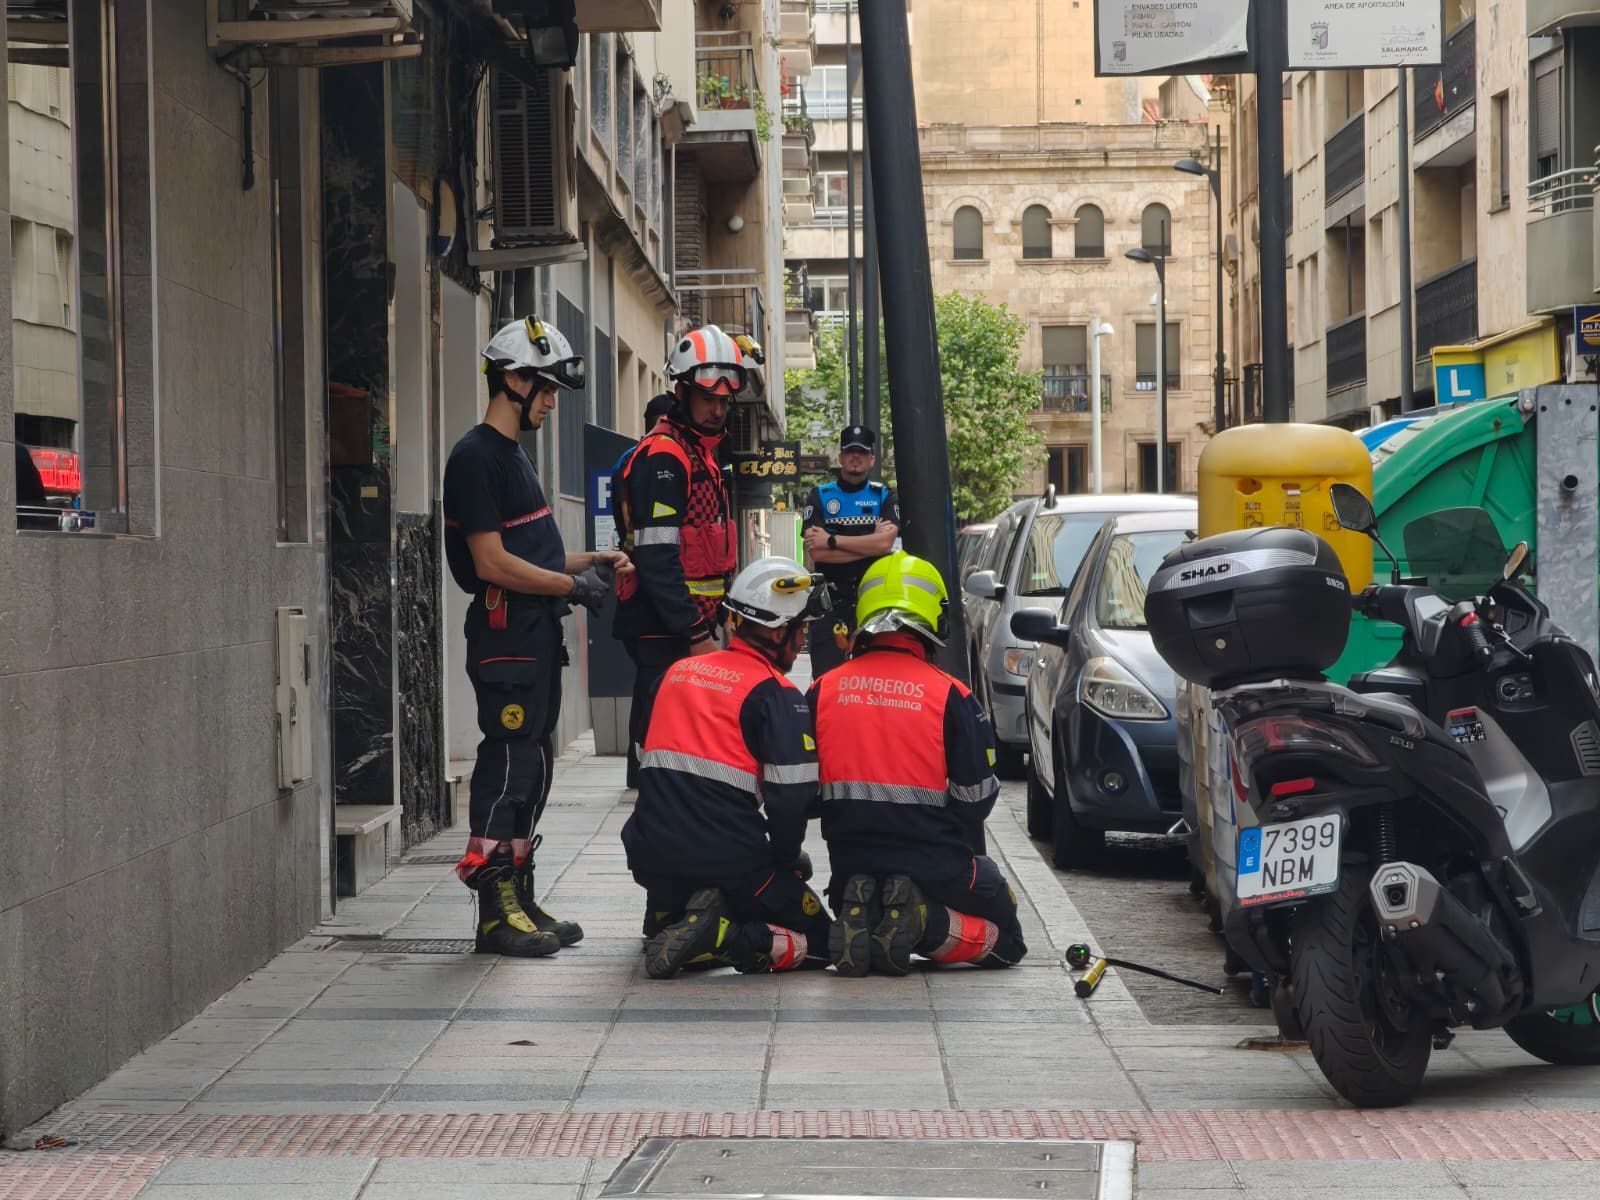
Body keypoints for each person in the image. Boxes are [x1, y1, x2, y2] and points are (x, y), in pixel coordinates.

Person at [443, 315, 629, 958]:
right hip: (505, 636)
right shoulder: (473, 458)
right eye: (545, 388)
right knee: (508, 764)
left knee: (536, 765)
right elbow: (493, 563)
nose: (551, 402)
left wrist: (592, 564)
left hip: (531, 632)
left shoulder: (511, 455)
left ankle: (518, 895)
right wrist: (570, 589)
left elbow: (535, 555)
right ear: (513, 379)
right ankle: (495, 910)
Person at [809, 551, 1028, 976]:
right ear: (935, 619)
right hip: (937, 866)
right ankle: (925, 921)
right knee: (1009, 940)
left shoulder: (822, 691)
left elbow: (800, 792)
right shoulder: (951, 696)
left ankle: (863, 906)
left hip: (850, 861)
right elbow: (977, 799)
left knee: (867, 903)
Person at [622, 556, 835, 979]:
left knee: (694, 841)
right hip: (728, 863)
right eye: (802, 629)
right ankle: (726, 938)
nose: (803, 639)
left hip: (648, 854)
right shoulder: (777, 694)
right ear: (778, 631)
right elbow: (791, 801)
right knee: (830, 942)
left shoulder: (677, 672)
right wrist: (786, 858)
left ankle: (669, 913)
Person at [613, 325, 747, 786]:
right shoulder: (667, 456)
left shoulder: (700, 452)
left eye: (725, 401)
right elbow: (657, 557)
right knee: (659, 735)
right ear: (682, 391)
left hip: (687, 624)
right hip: (664, 626)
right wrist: (695, 634)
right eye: (709, 398)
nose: (717, 410)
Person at [800, 425, 901, 675]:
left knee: (872, 682)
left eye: (862, 453)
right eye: (850, 452)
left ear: (872, 459)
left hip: (874, 605)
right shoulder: (820, 496)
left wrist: (833, 541)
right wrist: (870, 544)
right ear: (841, 456)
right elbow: (817, 553)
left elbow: (885, 544)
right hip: (831, 607)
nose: (856, 457)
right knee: (826, 681)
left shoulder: (884, 496)